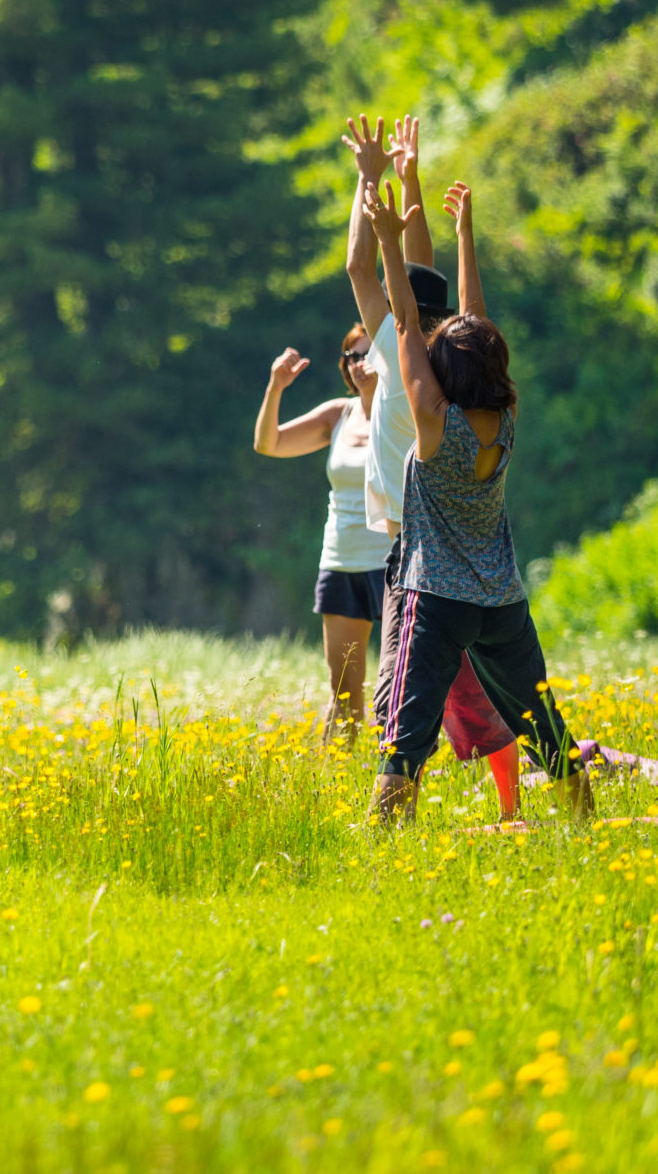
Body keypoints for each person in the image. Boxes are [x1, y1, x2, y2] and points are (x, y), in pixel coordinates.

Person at [362, 172, 592, 824]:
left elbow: (407, 321)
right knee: (545, 724)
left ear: (448, 372)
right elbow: (476, 327)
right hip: (501, 599)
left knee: (404, 743)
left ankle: (380, 850)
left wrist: (388, 242)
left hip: (434, 599)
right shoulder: (503, 421)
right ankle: (586, 826)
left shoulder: (436, 425)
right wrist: (463, 234)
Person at [343, 115, 523, 817]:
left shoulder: (402, 353)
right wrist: (409, 185)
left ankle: (408, 813)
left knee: (418, 699)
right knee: (479, 689)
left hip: (421, 556)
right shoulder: (453, 361)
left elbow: (371, 271)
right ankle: (511, 806)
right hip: (448, 550)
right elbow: (431, 286)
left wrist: (370, 181)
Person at [253, 324, 394, 744]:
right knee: (344, 692)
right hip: (341, 561)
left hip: (393, 564)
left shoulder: (403, 413)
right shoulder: (338, 414)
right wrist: (276, 386)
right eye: (352, 356)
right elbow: (269, 443)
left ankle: (408, 770)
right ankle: (335, 777)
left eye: (369, 353)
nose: (360, 363)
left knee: (403, 689)